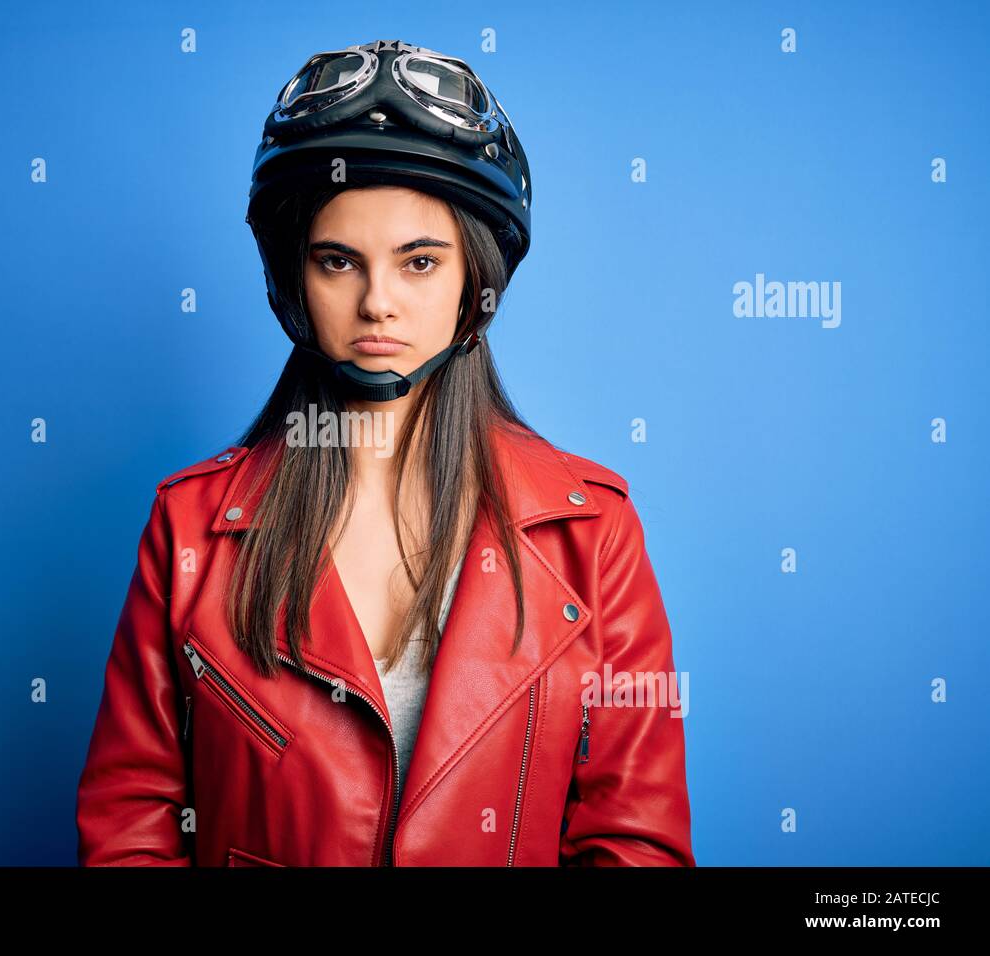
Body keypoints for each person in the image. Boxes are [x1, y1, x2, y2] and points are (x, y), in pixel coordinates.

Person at [76, 39, 695, 867]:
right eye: (339, 262)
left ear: (476, 282)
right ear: (294, 283)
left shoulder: (594, 533)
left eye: (420, 263)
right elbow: (132, 822)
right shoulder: (188, 526)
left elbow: (634, 840)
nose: (378, 303)